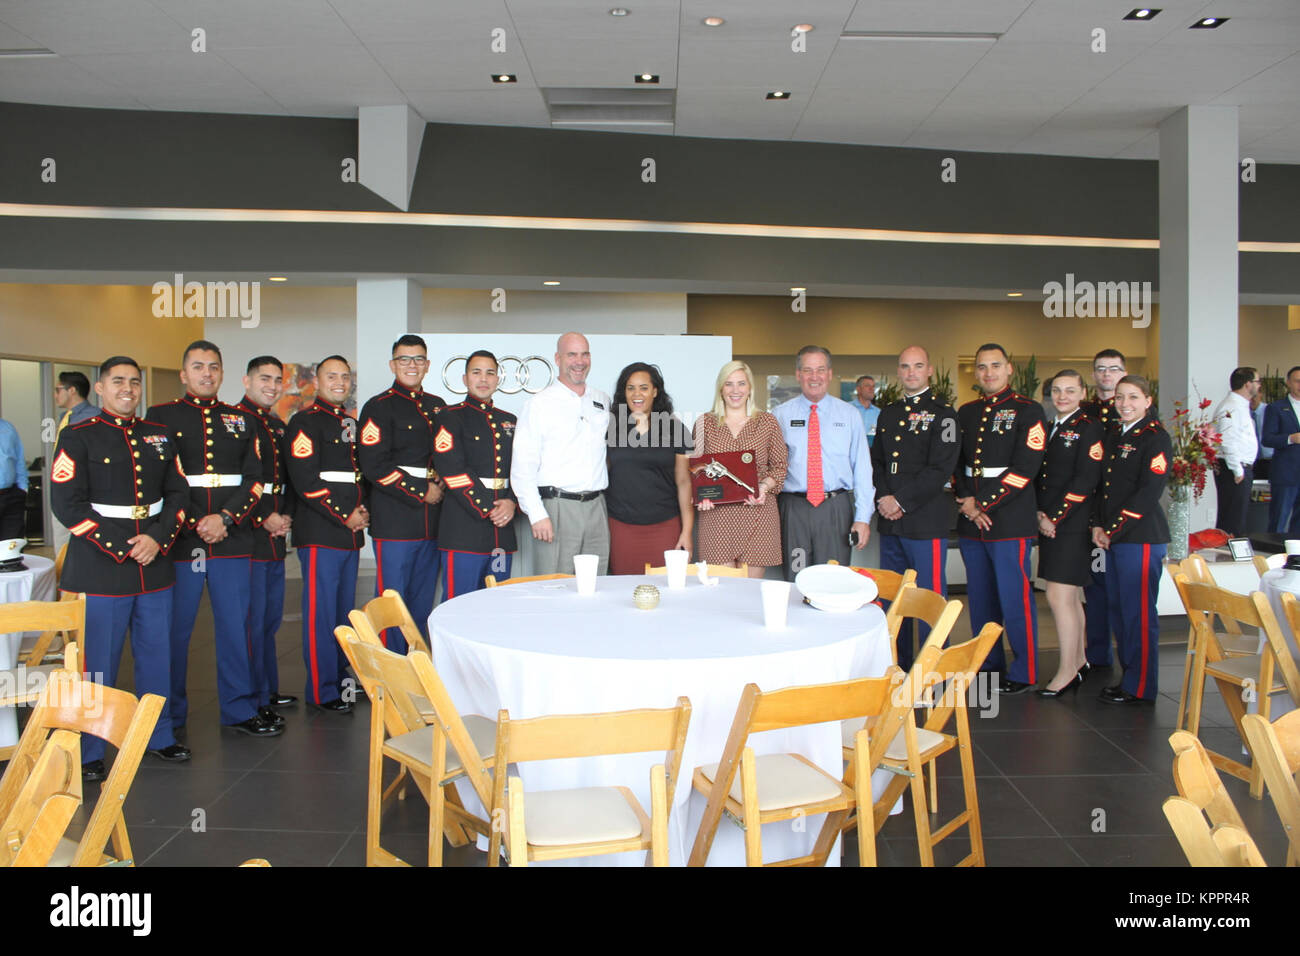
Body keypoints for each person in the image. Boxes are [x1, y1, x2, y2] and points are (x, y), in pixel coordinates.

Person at [51, 356, 190, 778]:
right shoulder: (78, 437)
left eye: (134, 381)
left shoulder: (160, 436)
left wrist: (158, 538)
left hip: (153, 564)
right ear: (99, 388)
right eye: (118, 381)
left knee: (156, 657)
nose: (128, 388)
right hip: (102, 566)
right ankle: (91, 750)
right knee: (99, 664)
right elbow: (66, 504)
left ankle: (158, 735)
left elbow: (178, 492)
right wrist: (122, 546)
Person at [148, 341, 276, 739]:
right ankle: (169, 717)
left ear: (222, 373)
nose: (207, 374)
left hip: (232, 538)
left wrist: (223, 518)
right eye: (198, 367)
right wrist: (194, 522)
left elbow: (256, 481)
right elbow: (161, 480)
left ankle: (239, 709)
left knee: (235, 628)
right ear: (184, 374)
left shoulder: (242, 419)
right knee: (175, 632)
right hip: (182, 542)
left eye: (214, 367)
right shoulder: (160, 417)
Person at [954, 343, 1047, 695]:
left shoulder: (1028, 410)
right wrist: (967, 501)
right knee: (980, 599)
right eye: (981, 367)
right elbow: (957, 464)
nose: (988, 372)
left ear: (1009, 368)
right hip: (970, 521)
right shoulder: (966, 412)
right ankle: (988, 666)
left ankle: (1024, 671)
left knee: (1015, 598)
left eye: (995, 365)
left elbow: (1026, 469)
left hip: (1008, 519)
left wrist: (983, 504)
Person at [285, 355, 368, 713]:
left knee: (341, 612)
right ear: (316, 382)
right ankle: (321, 690)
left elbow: (357, 475)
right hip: (322, 531)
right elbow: (306, 481)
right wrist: (345, 513)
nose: (339, 382)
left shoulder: (349, 422)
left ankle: (339, 675)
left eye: (345, 377)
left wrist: (364, 511)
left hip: (349, 533)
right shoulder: (304, 422)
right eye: (331, 376)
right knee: (320, 614)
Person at [872, 346, 960, 669]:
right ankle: (899, 664)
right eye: (905, 366)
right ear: (899, 371)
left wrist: (901, 502)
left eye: (918, 366)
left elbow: (940, 469)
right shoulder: (888, 413)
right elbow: (878, 462)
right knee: (894, 599)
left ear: (930, 370)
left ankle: (932, 669)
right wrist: (884, 498)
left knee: (929, 599)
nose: (911, 372)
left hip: (924, 521)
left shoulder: (944, 415)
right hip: (890, 523)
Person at [357, 334, 445, 649]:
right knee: (392, 603)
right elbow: (373, 464)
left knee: (422, 602)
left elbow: (447, 456)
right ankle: (390, 676)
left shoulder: (437, 406)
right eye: (404, 359)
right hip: (395, 520)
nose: (412, 365)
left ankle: (416, 667)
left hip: (432, 521)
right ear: (393, 364)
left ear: (428, 365)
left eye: (418, 359)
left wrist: (441, 486)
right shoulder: (378, 407)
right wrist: (421, 491)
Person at [1092, 375, 1171, 704]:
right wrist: (1097, 525)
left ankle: (1140, 687)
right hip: (1113, 538)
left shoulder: (1156, 438)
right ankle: (1129, 677)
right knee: (1119, 609)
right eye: (1121, 398)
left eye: (1133, 398)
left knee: (1138, 614)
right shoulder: (1113, 432)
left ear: (1147, 401)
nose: (1125, 404)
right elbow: (1102, 487)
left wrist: (1112, 530)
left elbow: (1148, 493)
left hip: (1139, 537)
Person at [511, 332, 612, 574]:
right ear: (557, 358)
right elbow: (523, 465)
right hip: (557, 507)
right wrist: (536, 514)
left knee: (596, 584)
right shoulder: (539, 404)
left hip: (597, 506)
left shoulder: (602, 400)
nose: (579, 361)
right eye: (572, 354)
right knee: (554, 588)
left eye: (585, 354)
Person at [774, 346, 873, 578]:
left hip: (835, 507)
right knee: (795, 577)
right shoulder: (780, 415)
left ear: (829, 374)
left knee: (833, 580)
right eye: (807, 370)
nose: (814, 377)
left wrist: (862, 518)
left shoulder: (849, 415)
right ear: (798, 375)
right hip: (794, 508)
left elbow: (862, 469)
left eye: (820, 370)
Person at [1034, 370, 1104, 697]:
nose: (1062, 396)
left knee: (1058, 596)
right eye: (1057, 390)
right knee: (1071, 598)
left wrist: (1054, 517)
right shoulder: (1052, 426)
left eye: (1070, 390)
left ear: (1083, 392)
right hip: (1051, 523)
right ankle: (1077, 661)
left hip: (1069, 526)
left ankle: (1066, 670)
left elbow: (1085, 481)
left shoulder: (1089, 428)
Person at [237, 356, 297, 712]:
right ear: (247, 381)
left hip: (276, 534)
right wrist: (265, 517)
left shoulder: (277, 424)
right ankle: (251, 697)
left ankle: (267, 690)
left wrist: (285, 516)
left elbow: (287, 480)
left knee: (269, 618)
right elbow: (240, 483)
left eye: (277, 380)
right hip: (250, 534)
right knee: (250, 620)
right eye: (265, 379)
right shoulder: (236, 421)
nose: (272, 386)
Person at [433, 351, 518, 595]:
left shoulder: (509, 420)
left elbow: (521, 469)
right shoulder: (449, 416)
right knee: (458, 603)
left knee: (497, 601)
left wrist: (512, 502)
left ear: (498, 379)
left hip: (501, 533)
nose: (483, 379)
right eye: (476, 372)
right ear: (464, 378)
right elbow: (451, 470)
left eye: (490, 373)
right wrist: (488, 507)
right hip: (464, 529)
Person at [692, 360, 787, 578]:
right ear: (721, 389)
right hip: (717, 517)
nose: (735, 390)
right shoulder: (704, 423)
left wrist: (764, 486)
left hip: (757, 513)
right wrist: (700, 496)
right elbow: (694, 470)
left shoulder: (767, 422)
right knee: (721, 594)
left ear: (750, 388)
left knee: (749, 594)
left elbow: (780, 467)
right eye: (729, 384)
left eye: (741, 383)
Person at [605, 362, 694, 575]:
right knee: (622, 594)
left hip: (665, 526)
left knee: (667, 592)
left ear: (655, 391)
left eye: (644, 387)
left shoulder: (675, 428)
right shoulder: (610, 427)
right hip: (620, 527)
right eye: (630, 388)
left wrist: (687, 532)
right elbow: (603, 475)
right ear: (623, 393)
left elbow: (683, 483)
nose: (637, 394)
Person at [1080, 348, 1126, 669]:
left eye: (1113, 369)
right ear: (1094, 374)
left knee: (1119, 592)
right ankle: (1097, 656)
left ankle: (1128, 662)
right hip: (1084, 511)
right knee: (1094, 587)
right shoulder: (1083, 411)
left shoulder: (1133, 413)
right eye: (1101, 369)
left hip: (1119, 515)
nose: (1107, 374)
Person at [50, 371, 98, 555]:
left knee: (84, 547)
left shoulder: (94, 417)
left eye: (58, 389)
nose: (55, 395)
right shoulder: (64, 417)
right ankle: (63, 581)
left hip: (85, 494)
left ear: (71, 390)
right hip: (64, 490)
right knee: (62, 546)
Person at [1211, 367, 1260, 537]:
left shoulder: (1240, 405)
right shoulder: (1231, 406)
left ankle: (1228, 551)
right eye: (1257, 381)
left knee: (1236, 515)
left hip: (1237, 466)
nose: (1259, 386)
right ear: (1248, 384)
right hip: (1233, 468)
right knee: (1233, 518)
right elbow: (1227, 439)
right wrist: (1237, 469)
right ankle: (1227, 554)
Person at [1261, 366, 1300, 534]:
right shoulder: (1276, 407)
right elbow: (1267, 439)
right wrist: (1290, 438)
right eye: (1298, 381)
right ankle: (1273, 556)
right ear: (1288, 383)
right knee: (1279, 521)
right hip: (1285, 474)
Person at [0, 418, 25, 540]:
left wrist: (23, 488)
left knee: (12, 545)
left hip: (11, 494)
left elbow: (19, 459)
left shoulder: (8, 428)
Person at [851, 375, 881, 447]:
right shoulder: (848, 409)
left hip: (873, 454)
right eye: (868, 386)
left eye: (873, 386)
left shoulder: (879, 413)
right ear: (858, 389)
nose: (872, 389)